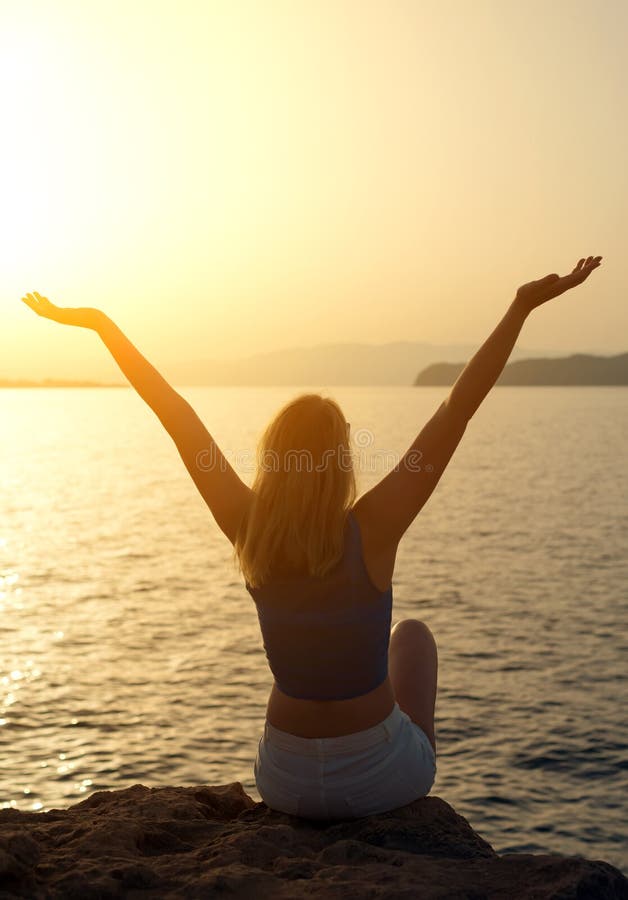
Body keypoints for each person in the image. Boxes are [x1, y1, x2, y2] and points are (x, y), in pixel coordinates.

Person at [21, 254, 603, 820]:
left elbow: (174, 413)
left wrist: (102, 326)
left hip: (286, 780)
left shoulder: (246, 524)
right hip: (382, 779)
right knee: (414, 638)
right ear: (341, 457)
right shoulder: (375, 526)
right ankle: (409, 754)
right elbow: (456, 409)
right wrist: (520, 309)